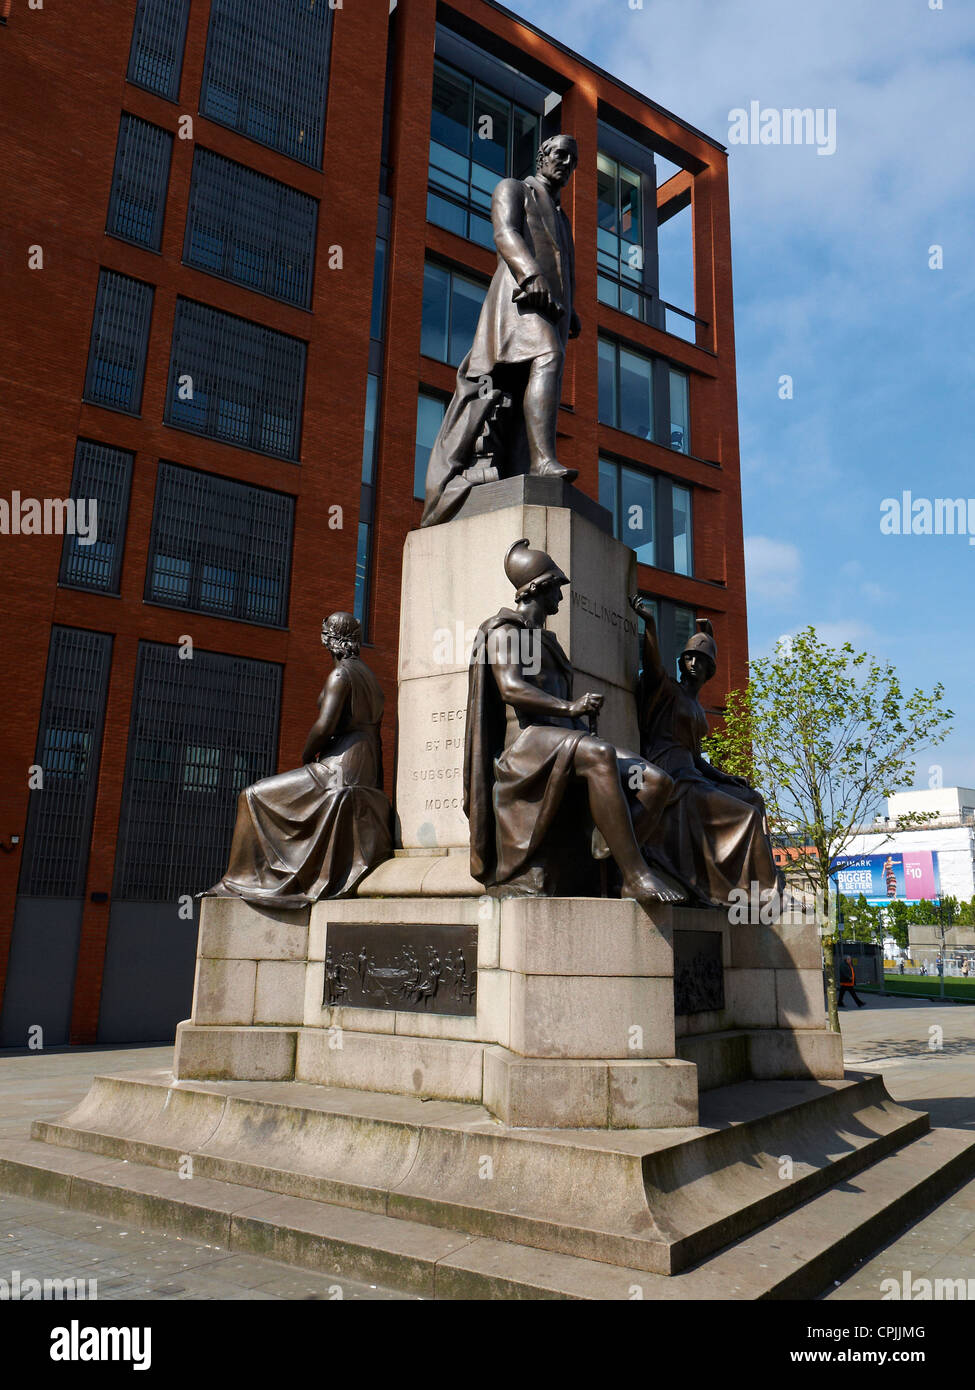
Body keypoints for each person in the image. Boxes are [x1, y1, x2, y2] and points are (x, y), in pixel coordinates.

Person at [464, 540, 690, 906]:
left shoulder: (549, 642)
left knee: (656, 781)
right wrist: (571, 708)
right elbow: (510, 688)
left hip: (558, 741)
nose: (561, 597)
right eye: (557, 587)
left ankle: (604, 845)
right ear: (538, 588)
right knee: (599, 753)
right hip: (524, 745)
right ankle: (634, 875)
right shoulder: (506, 631)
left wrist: (576, 719)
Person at [421, 135, 581, 527]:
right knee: (548, 357)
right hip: (518, 301)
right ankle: (543, 461)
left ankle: (528, 462)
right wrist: (531, 275)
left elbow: (567, 269)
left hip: (551, 310)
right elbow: (505, 232)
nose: (565, 162)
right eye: (558, 153)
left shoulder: (562, 218)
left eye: (571, 159)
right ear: (541, 155)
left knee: (534, 378)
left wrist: (571, 311)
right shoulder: (513, 189)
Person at [205, 612, 391, 905]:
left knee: (251, 796)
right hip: (362, 765)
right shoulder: (369, 677)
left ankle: (240, 881)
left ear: (328, 639)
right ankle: (266, 875)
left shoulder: (341, 674)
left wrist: (307, 754)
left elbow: (325, 725)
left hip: (338, 767)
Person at [628, 596, 781, 908]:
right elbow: (653, 666)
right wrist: (651, 625)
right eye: (689, 658)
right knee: (747, 814)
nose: (693, 663)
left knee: (754, 798)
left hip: (693, 772)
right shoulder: (668, 689)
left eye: (701, 660)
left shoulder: (697, 707)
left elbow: (697, 757)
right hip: (672, 774)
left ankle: (754, 888)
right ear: (682, 662)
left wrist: (726, 777)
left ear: (711, 669)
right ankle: (761, 895)